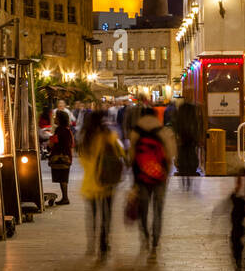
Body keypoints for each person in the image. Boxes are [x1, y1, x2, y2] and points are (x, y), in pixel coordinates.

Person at [128, 100, 177, 258]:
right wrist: (165, 173)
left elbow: (131, 156)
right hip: (160, 176)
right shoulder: (163, 131)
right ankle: (156, 240)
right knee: (158, 208)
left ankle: (145, 236)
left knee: (144, 207)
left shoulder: (135, 132)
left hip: (141, 176)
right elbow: (170, 155)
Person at [78, 108, 124, 258]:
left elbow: (82, 159)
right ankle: (104, 244)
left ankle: (92, 243)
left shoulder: (85, 137)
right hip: (106, 181)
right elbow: (121, 151)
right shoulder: (108, 135)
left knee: (92, 214)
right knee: (106, 214)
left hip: (91, 182)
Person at [173, 99, 204, 189]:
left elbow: (176, 127)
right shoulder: (193, 114)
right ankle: (190, 179)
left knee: (182, 158)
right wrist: (197, 138)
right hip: (191, 141)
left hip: (182, 141)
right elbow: (197, 127)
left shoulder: (179, 114)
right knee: (191, 156)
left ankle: (184, 181)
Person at [47, 108, 74, 205]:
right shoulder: (65, 129)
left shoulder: (61, 130)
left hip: (61, 157)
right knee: (63, 178)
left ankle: (65, 198)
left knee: (63, 178)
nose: (54, 118)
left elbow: (58, 143)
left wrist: (51, 146)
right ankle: (65, 197)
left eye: (56, 117)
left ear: (60, 119)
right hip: (65, 156)